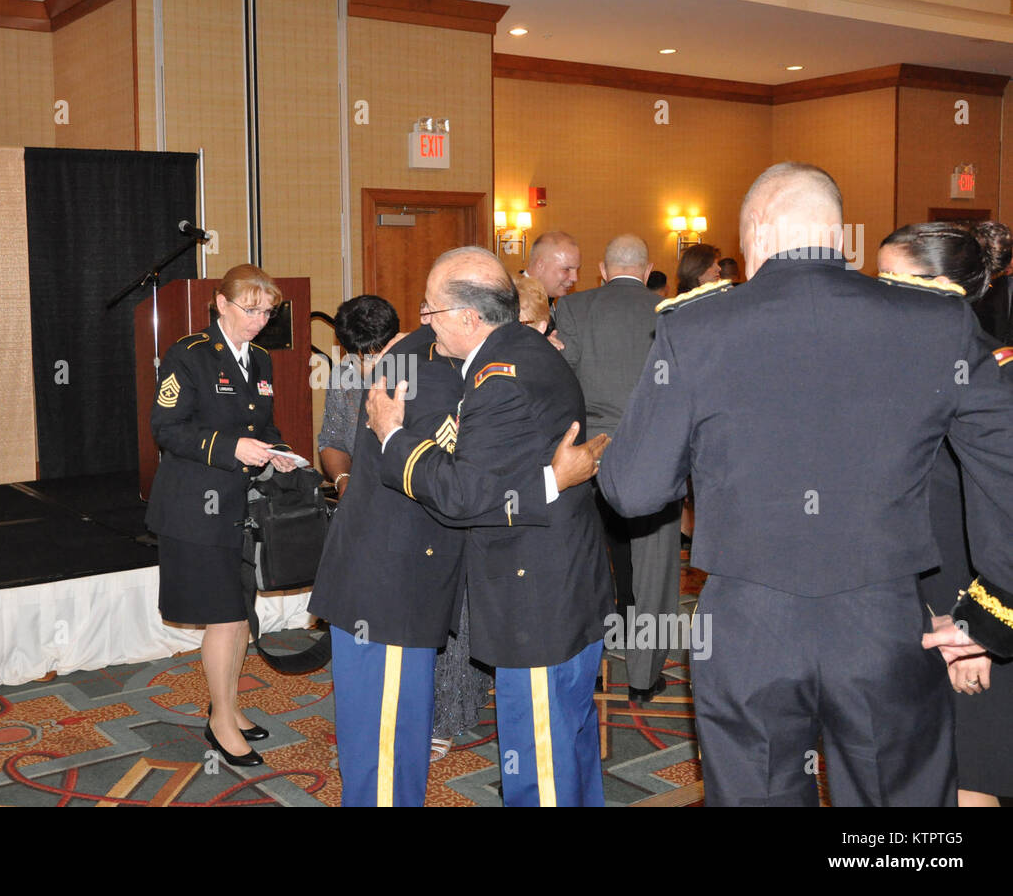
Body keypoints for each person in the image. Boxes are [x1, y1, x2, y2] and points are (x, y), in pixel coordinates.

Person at [591, 162, 1013, 806]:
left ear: (756, 230)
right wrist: (996, 610)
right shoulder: (937, 321)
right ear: (838, 233)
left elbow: (634, 491)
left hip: (747, 625)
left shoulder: (694, 326)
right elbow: (1003, 468)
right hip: (885, 622)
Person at [366, 246, 611, 807]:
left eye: (430, 311)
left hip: (536, 603)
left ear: (468, 318)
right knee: (570, 746)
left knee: (540, 766)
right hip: (566, 586)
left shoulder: (498, 379)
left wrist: (393, 437)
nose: (423, 322)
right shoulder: (527, 348)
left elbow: (463, 496)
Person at [877, 219, 1013, 808]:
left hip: (972, 615)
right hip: (919, 611)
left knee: (969, 781)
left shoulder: (987, 373)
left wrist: (977, 631)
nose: (877, 294)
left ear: (943, 290)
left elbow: (995, 518)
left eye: (891, 280)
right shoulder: (906, 371)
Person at [146, 264, 298, 768]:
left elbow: (263, 423)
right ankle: (219, 722)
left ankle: (228, 707)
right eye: (250, 310)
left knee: (238, 615)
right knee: (226, 616)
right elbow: (168, 428)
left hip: (238, 505)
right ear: (221, 304)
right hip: (195, 507)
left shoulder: (258, 358)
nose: (259, 321)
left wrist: (277, 451)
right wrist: (234, 448)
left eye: (267, 312)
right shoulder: (187, 356)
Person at [309, 321, 467, 805]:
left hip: (390, 577)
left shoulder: (419, 357)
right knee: (385, 738)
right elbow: (452, 488)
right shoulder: (435, 377)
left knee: (397, 733)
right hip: (391, 586)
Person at [554, 234, 681, 703]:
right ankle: (644, 679)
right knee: (655, 572)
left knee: (578, 563)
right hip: (652, 453)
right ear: (647, 270)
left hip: (586, 453)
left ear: (603, 271)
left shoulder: (573, 311)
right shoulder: (671, 311)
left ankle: (583, 669)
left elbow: (558, 381)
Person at [317, 295, 400, 498]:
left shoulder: (417, 375)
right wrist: (343, 480)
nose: (375, 366)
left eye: (382, 356)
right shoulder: (343, 375)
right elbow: (332, 440)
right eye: (365, 360)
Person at [521, 231, 581, 333]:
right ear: (541, 265)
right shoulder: (511, 300)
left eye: (577, 270)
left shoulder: (550, 300)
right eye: (566, 269)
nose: (575, 278)